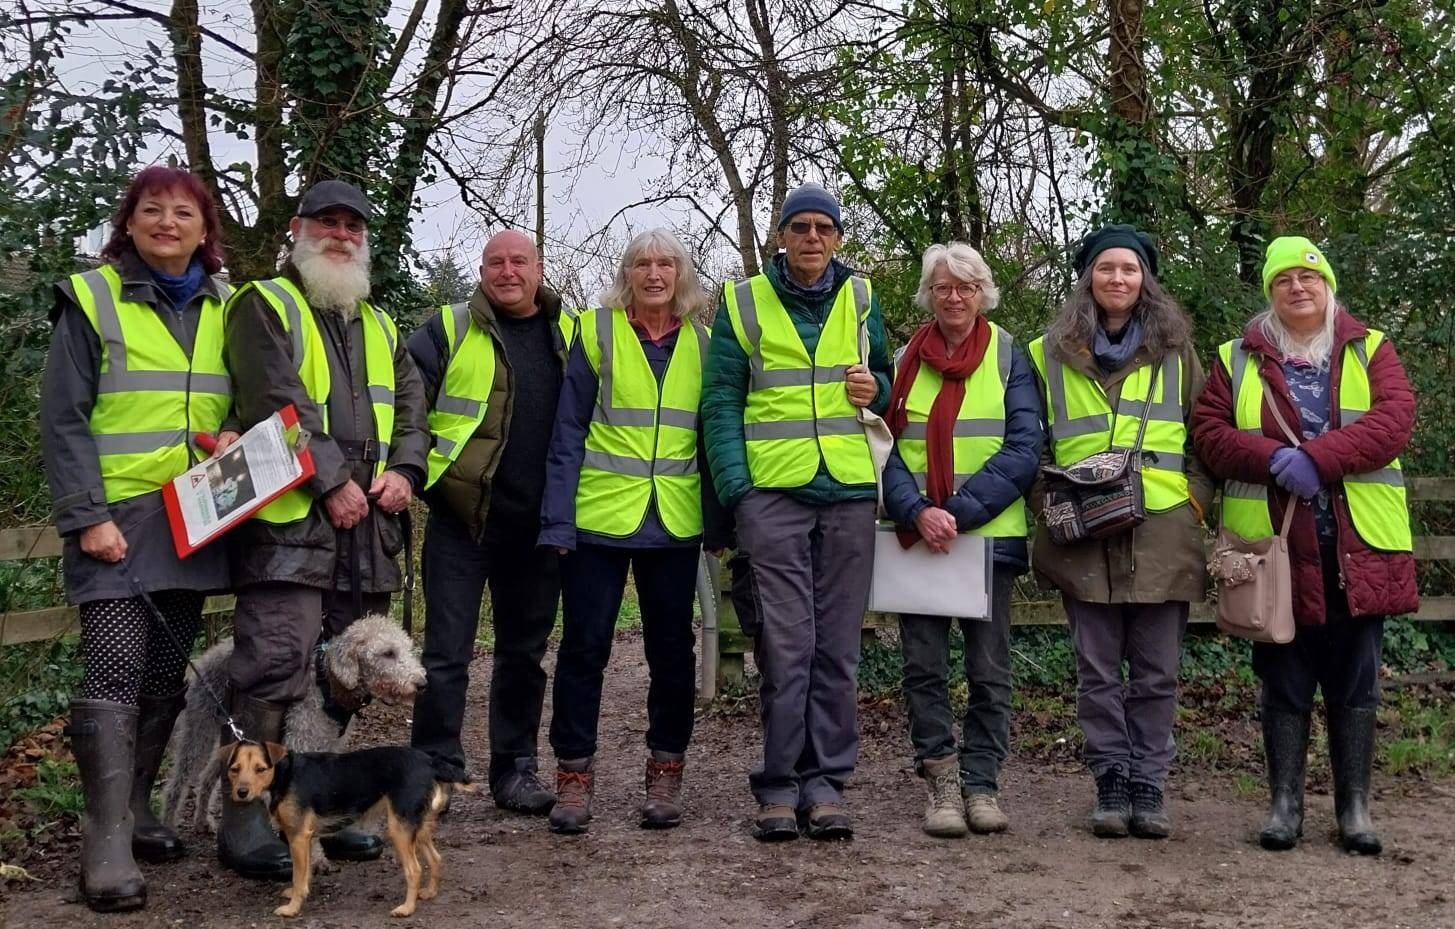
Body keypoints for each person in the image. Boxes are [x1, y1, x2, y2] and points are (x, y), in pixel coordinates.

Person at [219, 179, 429, 877]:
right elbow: (274, 397)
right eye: (327, 222)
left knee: (343, 678)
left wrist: (406, 470)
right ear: (297, 228)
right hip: (290, 524)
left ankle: (316, 811)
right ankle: (246, 824)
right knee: (275, 665)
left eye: (352, 226)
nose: (341, 235)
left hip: (368, 526)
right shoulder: (264, 303)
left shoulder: (381, 324)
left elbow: (413, 409)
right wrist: (331, 479)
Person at [41, 166, 236, 911]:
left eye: (183, 212)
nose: (166, 223)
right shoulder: (92, 298)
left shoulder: (227, 305)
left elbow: (242, 397)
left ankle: (138, 808)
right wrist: (86, 515)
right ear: (128, 222)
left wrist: (230, 433)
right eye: (152, 210)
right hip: (115, 516)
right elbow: (63, 416)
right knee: (115, 666)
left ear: (203, 228)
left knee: (162, 670)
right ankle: (105, 839)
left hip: (193, 515)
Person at [1192, 236, 1416, 856]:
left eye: (1309, 277)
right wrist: (1272, 458)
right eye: (1284, 279)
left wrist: (1318, 459)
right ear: (1269, 291)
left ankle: (1354, 809)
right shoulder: (1236, 357)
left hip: (1357, 547)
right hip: (1275, 548)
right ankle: (1284, 806)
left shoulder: (1371, 348)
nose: (1298, 287)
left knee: (1356, 681)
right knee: (1283, 679)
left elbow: (1393, 420)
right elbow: (1209, 432)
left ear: (1328, 285)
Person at [702, 182, 893, 841]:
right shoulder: (743, 301)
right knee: (787, 649)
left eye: (824, 227)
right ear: (780, 236)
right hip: (773, 496)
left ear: (837, 237)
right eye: (800, 226)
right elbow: (720, 401)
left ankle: (826, 786)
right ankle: (779, 787)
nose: (812, 237)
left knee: (837, 650)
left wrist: (877, 387)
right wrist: (739, 490)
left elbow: (885, 384)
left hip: (848, 492)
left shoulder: (861, 297)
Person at [1026, 224, 1213, 840]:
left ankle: (1148, 783)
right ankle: (1110, 778)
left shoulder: (1178, 352)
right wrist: (1049, 503)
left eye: (1129, 269)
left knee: (1157, 671)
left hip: (1163, 531)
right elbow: (1029, 441)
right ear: (1088, 277)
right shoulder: (1046, 353)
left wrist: (1194, 504)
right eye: (1106, 267)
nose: (1118, 278)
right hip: (1081, 533)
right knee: (1097, 671)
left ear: (1145, 279)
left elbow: (1205, 439)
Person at [539, 228, 724, 834]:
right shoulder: (596, 331)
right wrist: (557, 519)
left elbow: (712, 437)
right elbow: (568, 431)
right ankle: (573, 775)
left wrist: (719, 522)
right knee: (584, 648)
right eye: (642, 264)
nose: (654, 274)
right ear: (627, 274)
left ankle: (666, 769)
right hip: (599, 518)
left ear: (681, 275)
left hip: (675, 519)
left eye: (665, 264)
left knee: (671, 653)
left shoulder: (704, 342)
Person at [408, 229, 575, 812]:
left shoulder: (574, 333)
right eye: (495, 262)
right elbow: (407, 408)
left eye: (518, 261)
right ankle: (434, 772)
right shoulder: (447, 329)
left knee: (524, 656)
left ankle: (515, 770)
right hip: (462, 520)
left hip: (538, 526)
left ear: (539, 268)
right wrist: (420, 477)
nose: (507, 272)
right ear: (482, 272)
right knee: (444, 656)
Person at [881, 243, 1043, 838]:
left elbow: (1025, 447)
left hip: (987, 541)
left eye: (966, 287)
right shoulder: (904, 360)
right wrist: (917, 511)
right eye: (943, 287)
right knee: (922, 668)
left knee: (988, 669)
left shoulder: (1009, 355)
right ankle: (941, 784)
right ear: (929, 294)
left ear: (983, 294)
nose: (954, 297)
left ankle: (982, 784)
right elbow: (883, 447)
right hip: (918, 538)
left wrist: (956, 513)